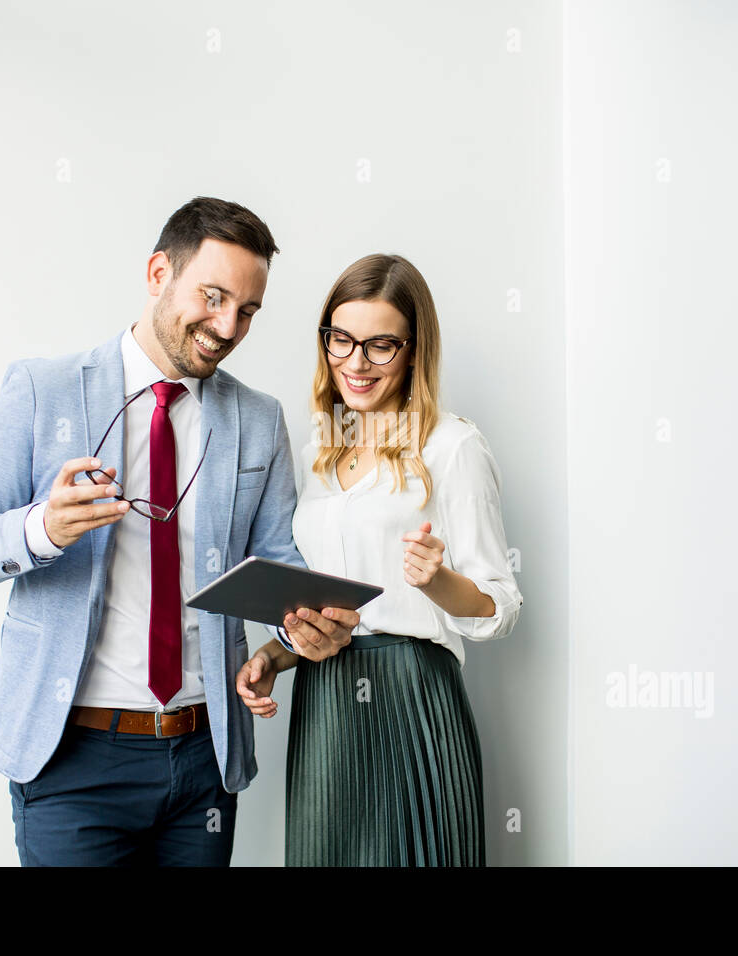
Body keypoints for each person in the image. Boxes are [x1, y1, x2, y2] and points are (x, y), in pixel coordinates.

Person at [0, 197, 358, 867]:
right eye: (212, 297)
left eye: (247, 310)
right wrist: (43, 527)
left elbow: (277, 570)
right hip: (71, 763)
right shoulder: (44, 390)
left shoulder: (258, 420)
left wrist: (298, 632)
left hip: (201, 761)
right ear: (159, 273)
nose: (227, 326)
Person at [236, 253, 523, 866]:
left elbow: (499, 606)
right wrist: (274, 652)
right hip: (326, 708)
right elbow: (324, 609)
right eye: (341, 338)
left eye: (380, 345)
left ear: (415, 350)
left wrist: (439, 580)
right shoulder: (316, 454)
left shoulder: (452, 446)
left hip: (414, 697)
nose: (355, 362)